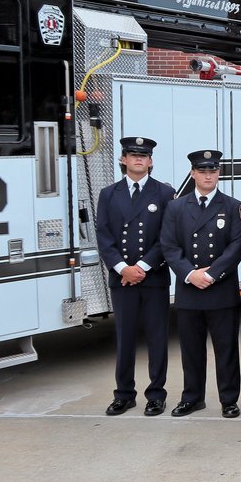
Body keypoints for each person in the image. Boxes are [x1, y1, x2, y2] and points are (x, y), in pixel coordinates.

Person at [160, 148, 241, 419]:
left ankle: (229, 399)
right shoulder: (176, 207)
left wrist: (212, 273)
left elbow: (237, 245)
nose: (208, 175)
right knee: (191, 349)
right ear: (193, 173)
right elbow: (169, 246)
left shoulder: (232, 206)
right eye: (203, 171)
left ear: (218, 173)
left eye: (213, 171)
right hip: (189, 290)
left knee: (226, 349)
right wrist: (190, 274)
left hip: (221, 289)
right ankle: (192, 397)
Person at [97, 135, 175, 417]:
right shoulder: (109, 194)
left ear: (151, 161)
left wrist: (141, 267)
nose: (138, 158)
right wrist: (123, 269)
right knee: (125, 337)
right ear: (123, 160)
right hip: (122, 279)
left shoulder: (164, 193)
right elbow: (104, 237)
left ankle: (156, 394)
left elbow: (167, 237)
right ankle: (124, 394)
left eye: (143, 155)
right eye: (132, 154)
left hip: (153, 278)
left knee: (157, 338)